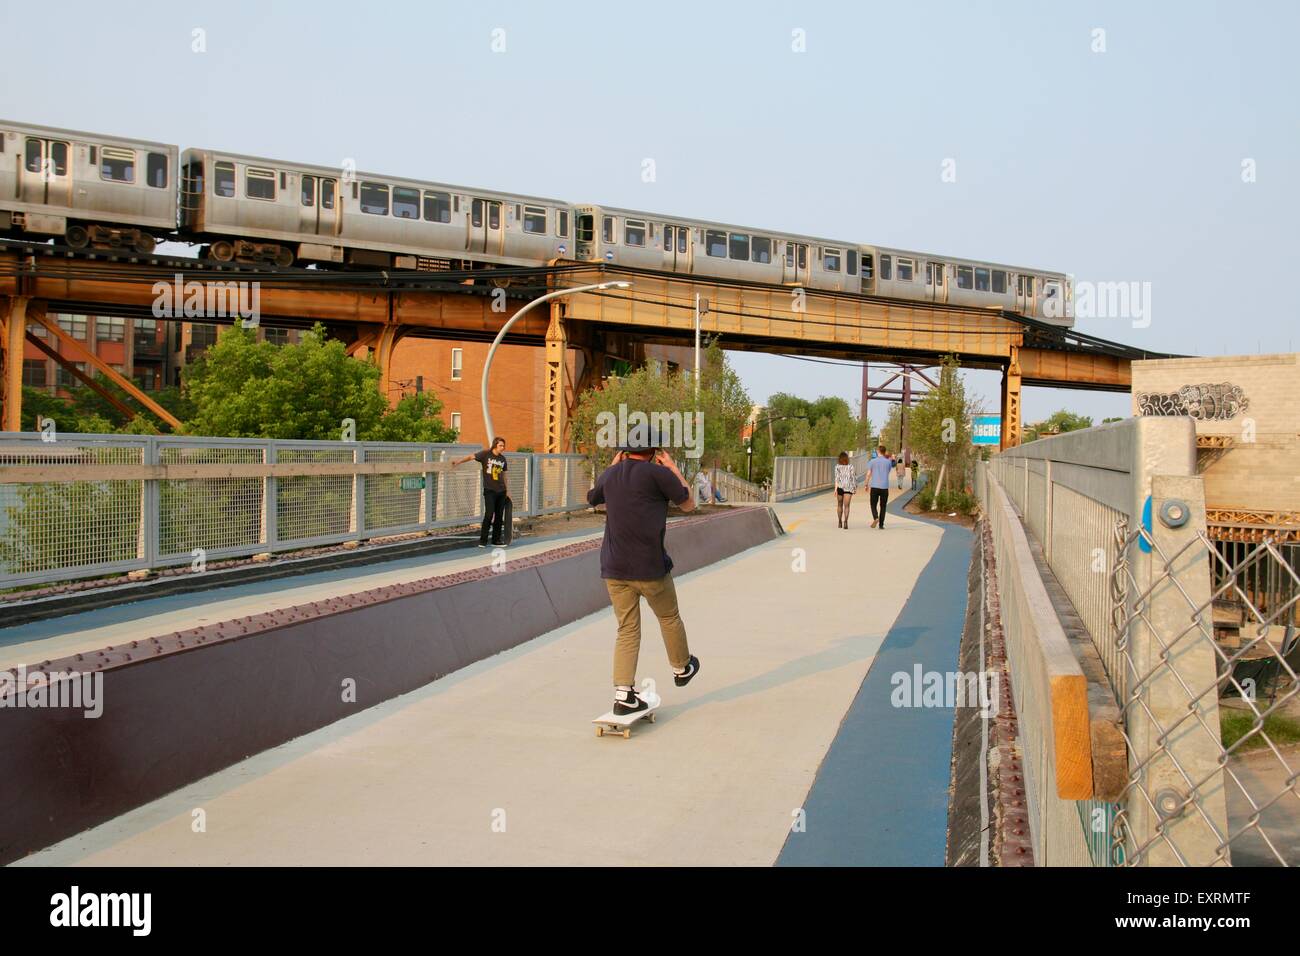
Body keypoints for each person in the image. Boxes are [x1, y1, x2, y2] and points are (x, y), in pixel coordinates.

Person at [587, 434, 701, 716]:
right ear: (653, 451)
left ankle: (624, 694)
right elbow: (689, 504)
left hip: (614, 569)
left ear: (625, 451)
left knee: (626, 628)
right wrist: (673, 468)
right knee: (668, 617)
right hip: (649, 568)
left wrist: (612, 468)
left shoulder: (612, 475)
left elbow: (592, 499)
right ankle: (681, 667)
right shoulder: (658, 474)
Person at [453, 437, 509, 547]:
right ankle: (483, 541)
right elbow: (471, 456)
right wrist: (459, 461)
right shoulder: (485, 454)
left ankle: (496, 540)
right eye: (500, 446)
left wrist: (508, 491)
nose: (502, 448)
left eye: (503, 446)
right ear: (495, 445)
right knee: (489, 514)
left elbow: (505, 475)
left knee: (499, 516)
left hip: (501, 491)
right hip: (489, 490)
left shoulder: (503, 459)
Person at [867, 443, 896, 529]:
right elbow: (889, 470)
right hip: (884, 487)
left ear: (878, 451)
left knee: (873, 504)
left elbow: (868, 474)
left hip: (874, 486)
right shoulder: (888, 462)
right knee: (883, 506)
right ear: (884, 452)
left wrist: (866, 483)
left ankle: (876, 517)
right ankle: (881, 524)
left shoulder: (872, 461)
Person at [833, 451, 857, 529]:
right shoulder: (851, 467)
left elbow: (836, 478)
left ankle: (839, 521)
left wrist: (835, 489)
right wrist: (854, 488)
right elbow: (853, 478)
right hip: (848, 487)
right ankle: (845, 521)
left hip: (840, 487)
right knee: (847, 506)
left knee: (839, 505)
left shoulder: (837, 466)